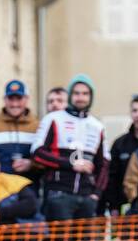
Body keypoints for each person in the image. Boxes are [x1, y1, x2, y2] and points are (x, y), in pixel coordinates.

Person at [30, 74, 108, 221]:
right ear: (70, 95)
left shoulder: (97, 126)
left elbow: (103, 164)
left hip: (86, 198)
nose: (81, 97)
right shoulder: (53, 118)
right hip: (58, 195)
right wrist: (71, 164)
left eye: (85, 94)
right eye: (76, 93)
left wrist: (96, 194)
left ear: (91, 97)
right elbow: (37, 152)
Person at [0, 80, 39, 180]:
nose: (14, 104)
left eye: (19, 99)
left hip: (30, 187)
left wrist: (31, 164)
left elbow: (45, 159)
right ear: (4, 100)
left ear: (27, 99)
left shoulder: (38, 126)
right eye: (10, 99)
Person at [103, 92, 138, 214]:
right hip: (124, 208)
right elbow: (112, 177)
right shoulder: (120, 144)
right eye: (135, 110)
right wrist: (113, 206)